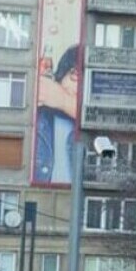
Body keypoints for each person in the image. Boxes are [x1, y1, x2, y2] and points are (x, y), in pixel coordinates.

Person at [32, 46, 81, 184]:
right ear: (61, 74)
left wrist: (65, 101)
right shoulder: (38, 116)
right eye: (75, 74)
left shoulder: (99, 128)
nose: (78, 86)